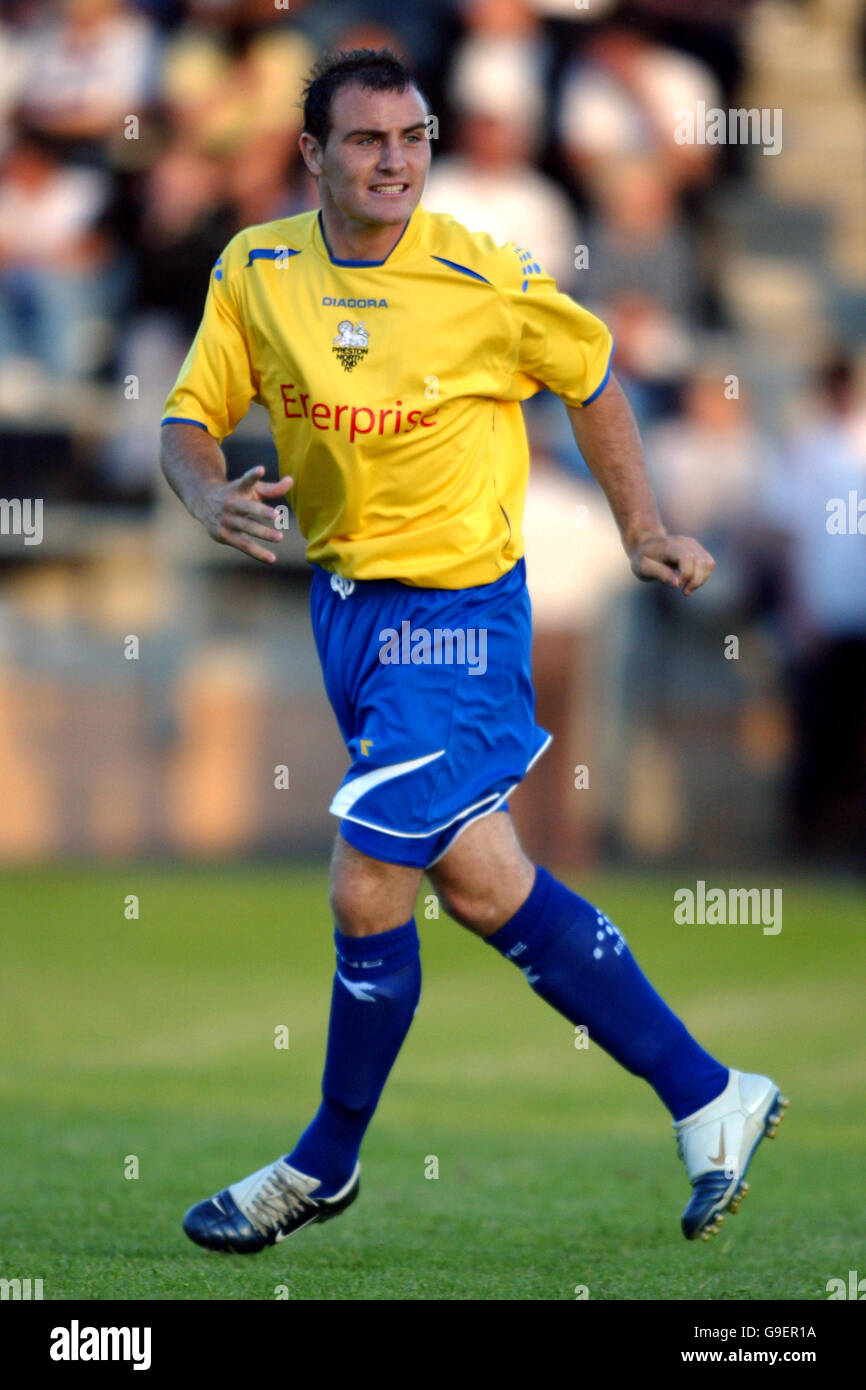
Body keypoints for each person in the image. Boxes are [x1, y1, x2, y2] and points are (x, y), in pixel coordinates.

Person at [160, 48, 786, 1255]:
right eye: (364, 141)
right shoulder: (258, 267)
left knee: (364, 873)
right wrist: (205, 495)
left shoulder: (480, 272)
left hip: (455, 617)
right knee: (485, 883)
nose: (394, 161)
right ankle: (712, 1096)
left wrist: (644, 528)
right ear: (311, 155)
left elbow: (592, 371)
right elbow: (189, 416)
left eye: (411, 137)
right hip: (346, 609)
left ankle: (323, 1161)